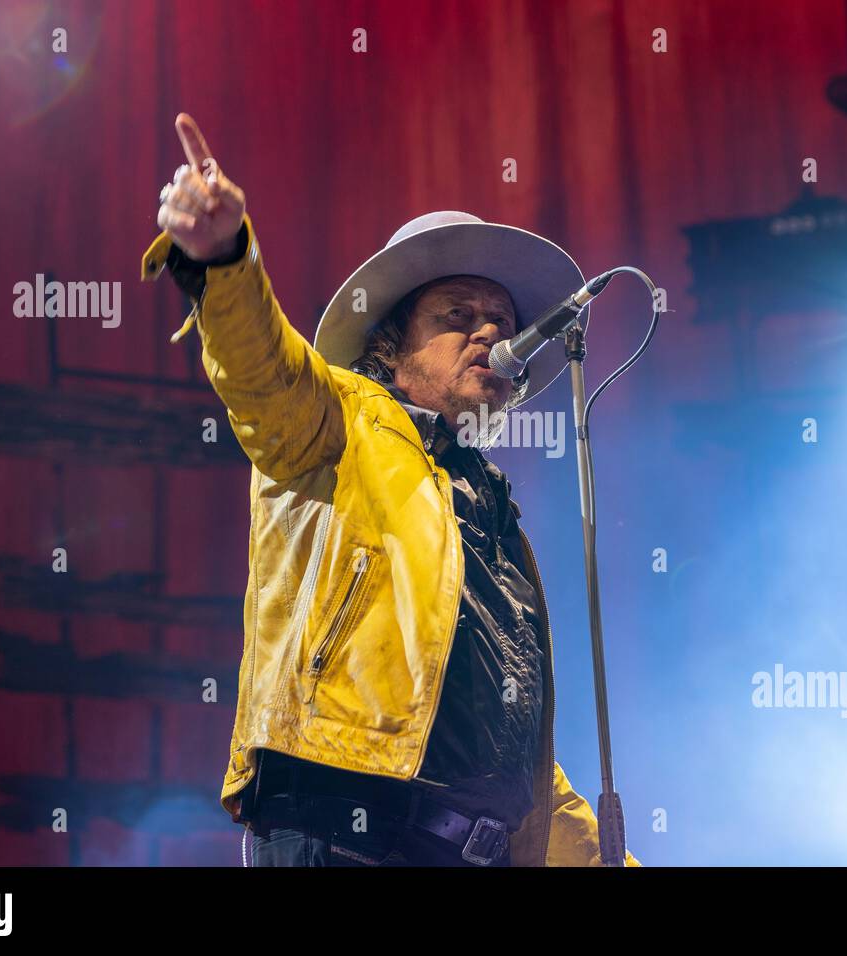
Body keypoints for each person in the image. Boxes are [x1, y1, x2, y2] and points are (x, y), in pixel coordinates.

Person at [142, 113, 640, 867]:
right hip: (348, 833)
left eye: (500, 320)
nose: (488, 333)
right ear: (390, 344)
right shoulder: (338, 419)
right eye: (457, 317)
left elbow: (514, 763)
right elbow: (262, 373)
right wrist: (223, 261)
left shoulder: (492, 514)